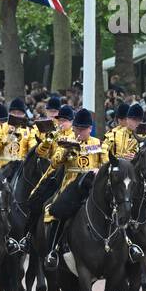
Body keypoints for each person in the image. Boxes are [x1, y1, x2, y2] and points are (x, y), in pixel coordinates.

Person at [42, 108, 110, 268]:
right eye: (77, 129)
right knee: (58, 212)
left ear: (90, 129)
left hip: (93, 186)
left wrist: (98, 170)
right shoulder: (66, 141)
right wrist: (66, 150)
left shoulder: (98, 144)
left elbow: (106, 164)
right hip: (71, 185)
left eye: (83, 129)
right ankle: (52, 251)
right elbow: (54, 162)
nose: (79, 132)